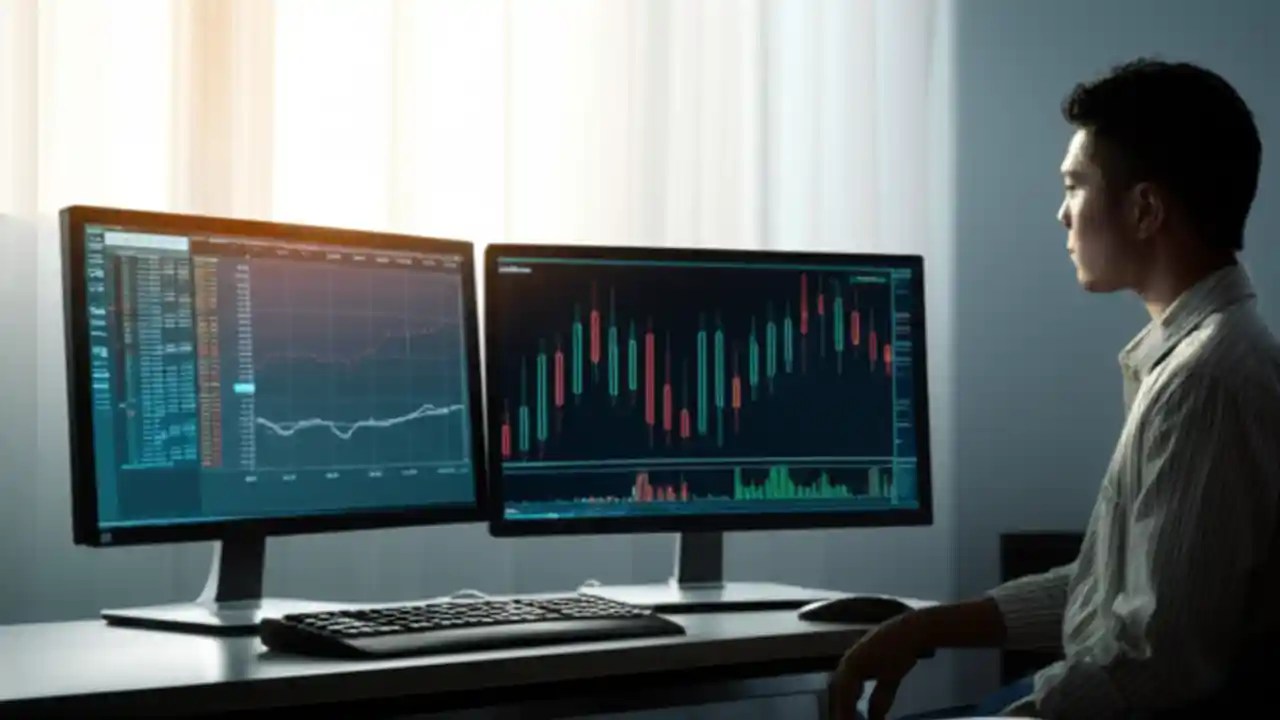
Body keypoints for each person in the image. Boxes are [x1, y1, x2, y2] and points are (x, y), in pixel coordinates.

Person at [830, 57, 1280, 720]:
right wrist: (930, 628)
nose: (1061, 215)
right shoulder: (1197, 359)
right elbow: (1122, 588)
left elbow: (1153, 664)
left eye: (1075, 186)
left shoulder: (1206, 382)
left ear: (1146, 209)